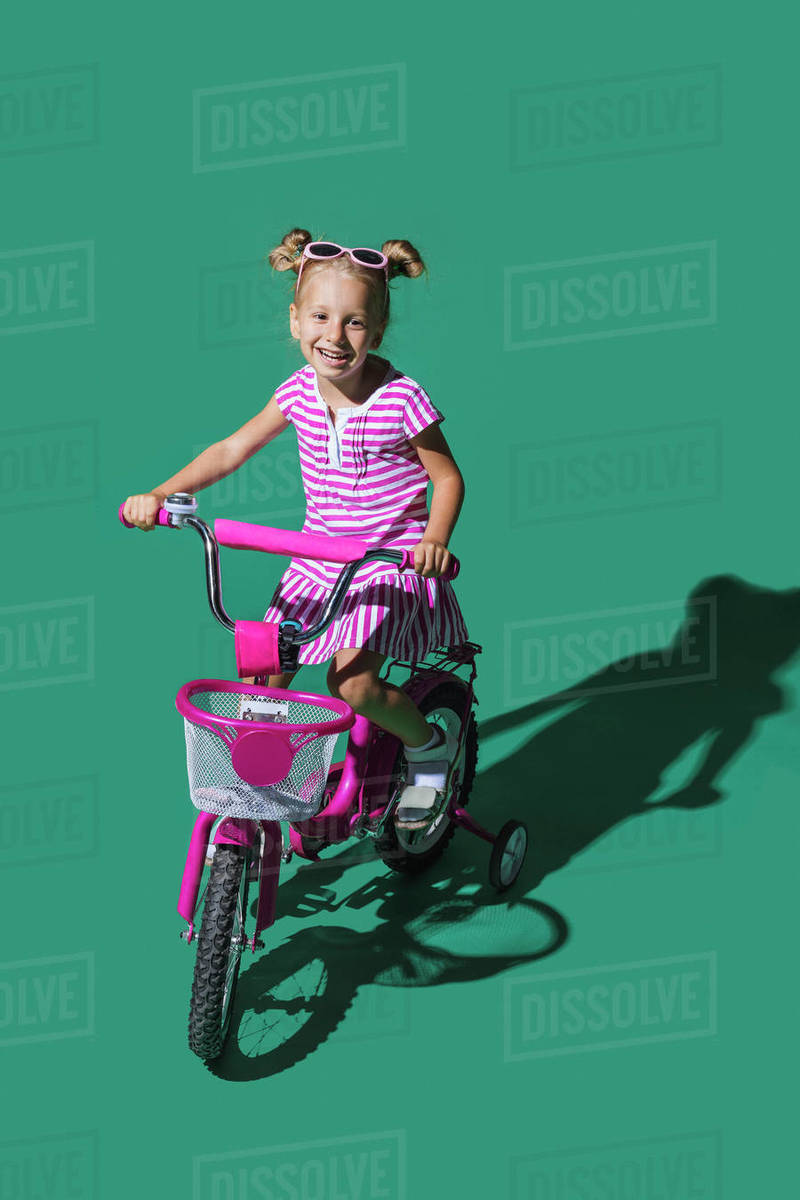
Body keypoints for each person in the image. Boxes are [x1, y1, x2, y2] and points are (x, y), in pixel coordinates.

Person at [122, 228, 470, 829]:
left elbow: (447, 477)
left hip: (386, 563)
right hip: (315, 561)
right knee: (260, 684)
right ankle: (265, 789)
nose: (335, 336)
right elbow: (231, 449)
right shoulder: (298, 392)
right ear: (295, 320)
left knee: (352, 684)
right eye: (320, 317)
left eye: (354, 323)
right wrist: (159, 493)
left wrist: (434, 540)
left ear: (378, 331)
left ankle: (428, 749)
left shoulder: (401, 398)